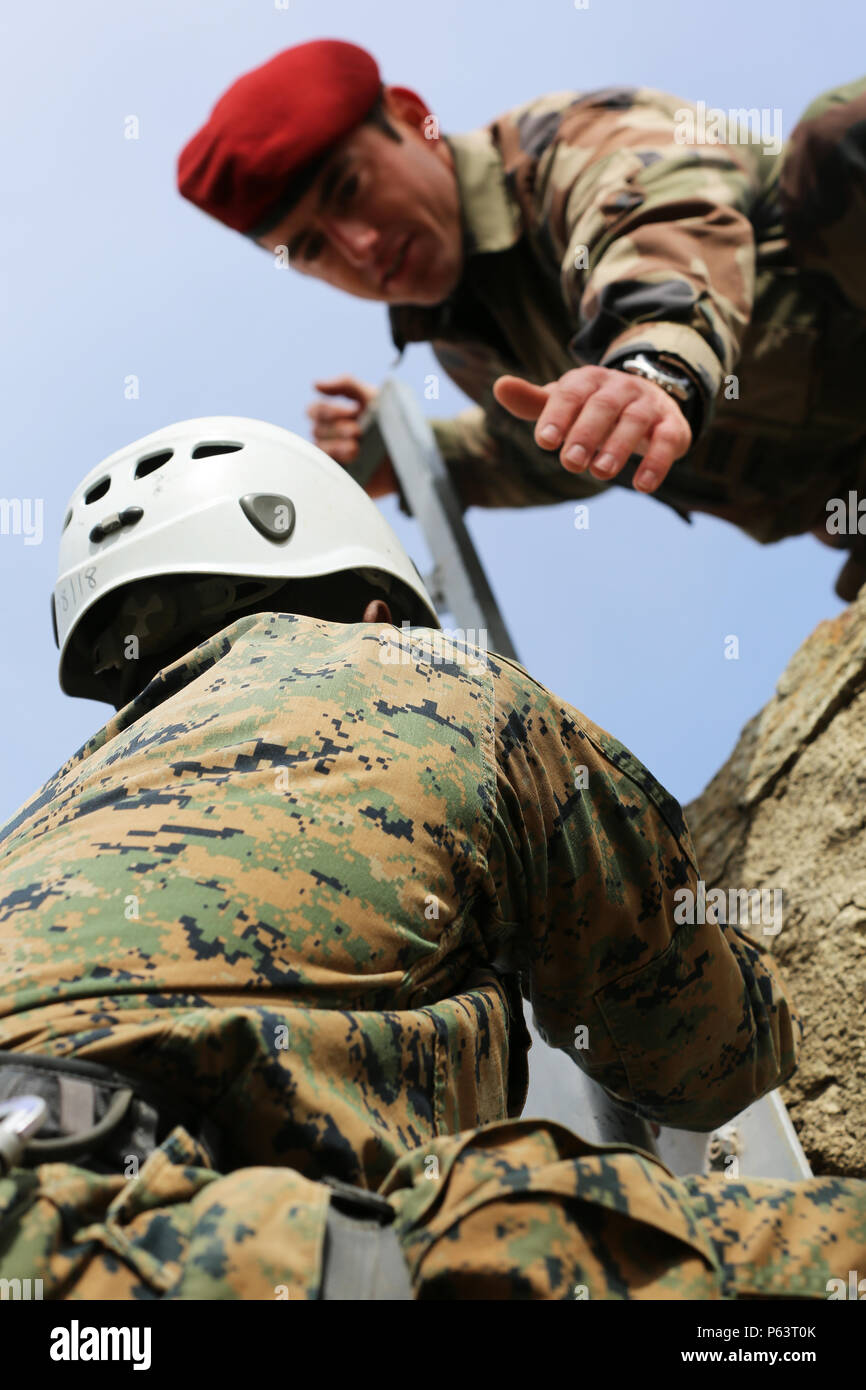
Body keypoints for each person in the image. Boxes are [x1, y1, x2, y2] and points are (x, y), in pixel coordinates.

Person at [0, 415, 824, 1301]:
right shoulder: (431, 677)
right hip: (149, 1252)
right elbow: (703, 1059)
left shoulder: (37, 824)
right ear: (380, 613)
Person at [177, 44, 866, 599]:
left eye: (351, 189)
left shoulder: (578, 145)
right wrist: (415, 458)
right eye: (313, 248)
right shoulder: (461, 347)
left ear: (413, 115)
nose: (357, 245)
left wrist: (652, 366)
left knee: (843, 136)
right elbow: (545, 449)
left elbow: (663, 229)